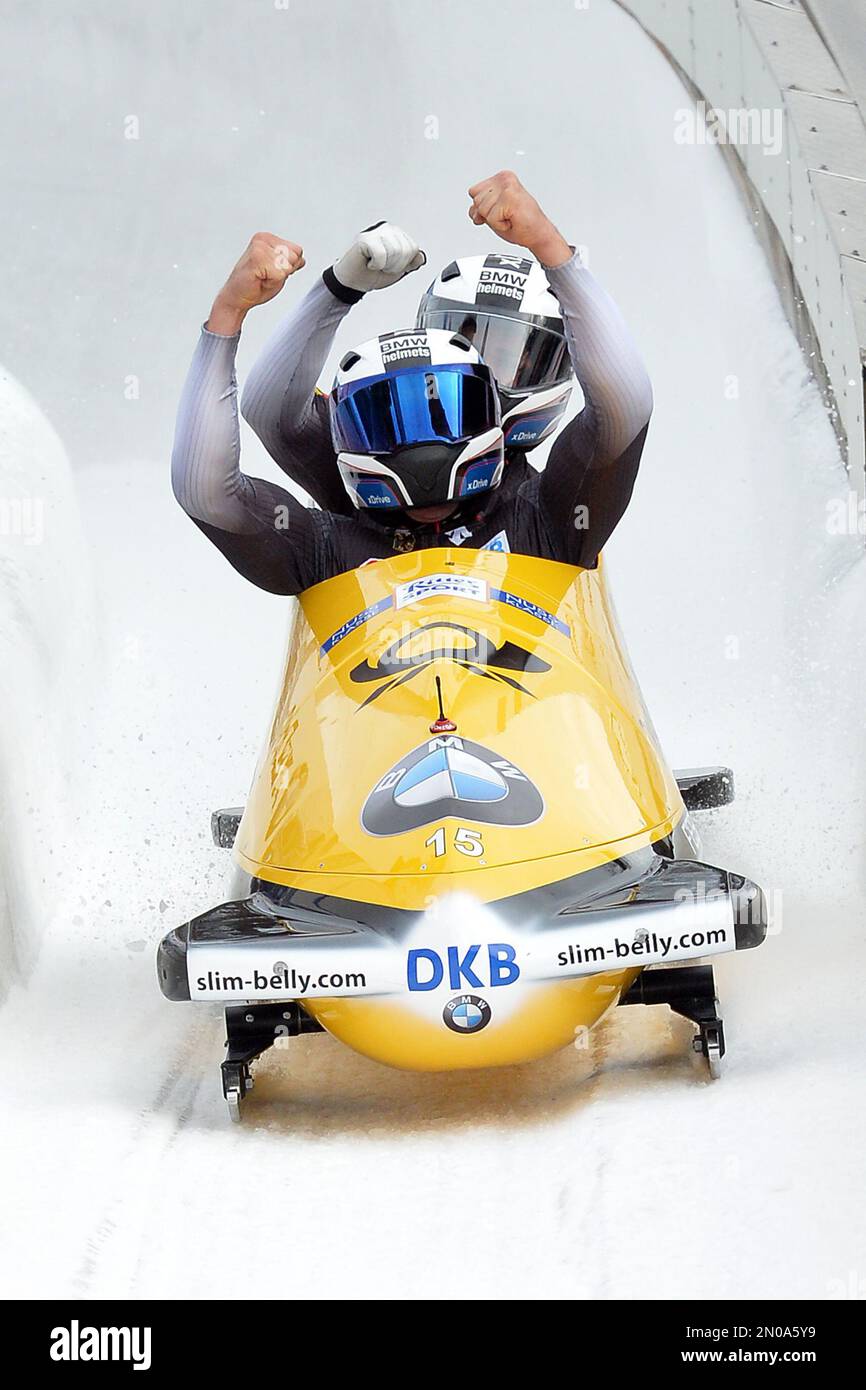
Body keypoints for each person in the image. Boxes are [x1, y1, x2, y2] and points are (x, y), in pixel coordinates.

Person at [171, 171, 652, 594]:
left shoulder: (546, 513)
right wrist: (278, 301)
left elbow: (624, 407)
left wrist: (550, 246)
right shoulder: (330, 542)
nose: (425, 452)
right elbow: (260, 428)